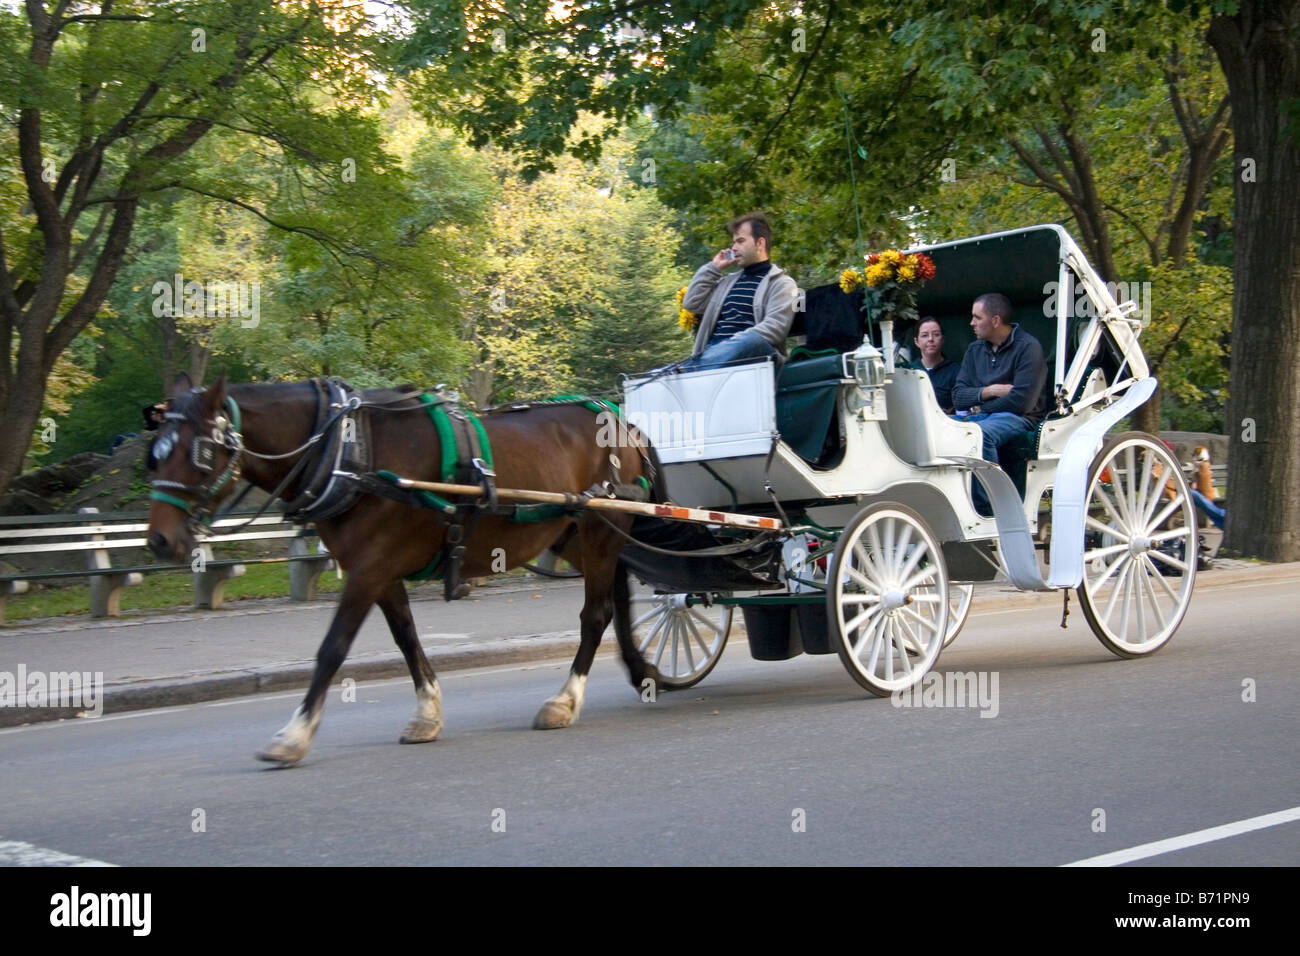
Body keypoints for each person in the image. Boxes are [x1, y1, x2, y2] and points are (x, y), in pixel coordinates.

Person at [951, 292, 1048, 513]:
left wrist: (979, 407)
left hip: (1021, 418)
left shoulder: (1028, 347)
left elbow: (1021, 402)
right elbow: (958, 395)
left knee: (981, 434)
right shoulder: (974, 350)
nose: (971, 323)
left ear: (995, 320)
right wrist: (989, 391)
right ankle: (956, 501)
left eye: (977, 317)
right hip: (981, 415)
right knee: (943, 426)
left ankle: (989, 508)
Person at [677, 212, 800, 372]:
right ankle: (695, 367)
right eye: (734, 242)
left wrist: (730, 346)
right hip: (715, 358)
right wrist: (714, 268)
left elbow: (774, 329)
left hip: (755, 360)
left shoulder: (782, 283)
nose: (734, 248)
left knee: (753, 339)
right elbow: (691, 303)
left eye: (740, 241)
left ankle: (689, 369)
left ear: (760, 243)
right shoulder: (726, 283)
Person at [911, 316, 958, 413]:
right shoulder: (910, 371)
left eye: (936, 334)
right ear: (916, 341)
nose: (930, 339)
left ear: (942, 339)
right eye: (924, 335)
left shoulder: (956, 371)